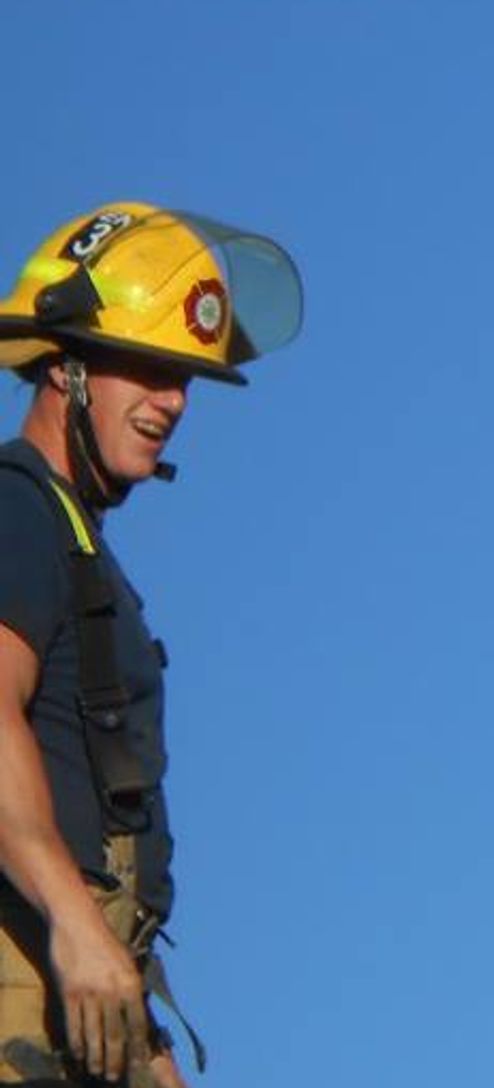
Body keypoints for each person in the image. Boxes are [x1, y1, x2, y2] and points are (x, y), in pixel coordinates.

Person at [0, 203, 304, 1086]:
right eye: (148, 367)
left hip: (84, 989)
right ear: (65, 367)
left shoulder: (72, 539)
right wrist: (73, 920)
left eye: (185, 378)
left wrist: (147, 1041)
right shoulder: (16, 506)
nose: (172, 401)